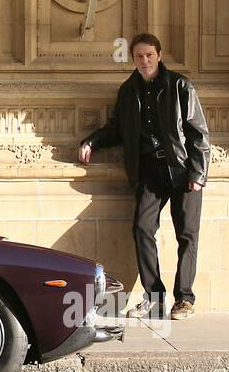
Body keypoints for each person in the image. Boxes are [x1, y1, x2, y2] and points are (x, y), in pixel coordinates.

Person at [77, 33, 210, 320]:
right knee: (141, 228)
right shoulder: (128, 91)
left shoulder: (180, 86)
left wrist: (198, 173)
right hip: (150, 172)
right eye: (139, 56)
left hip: (184, 169)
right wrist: (91, 142)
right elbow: (117, 130)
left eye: (149, 55)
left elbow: (198, 134)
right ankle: (155, 298)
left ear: (159, 56)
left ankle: (184, 299)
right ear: (133, 59)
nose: (144, 60)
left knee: (187, 234)